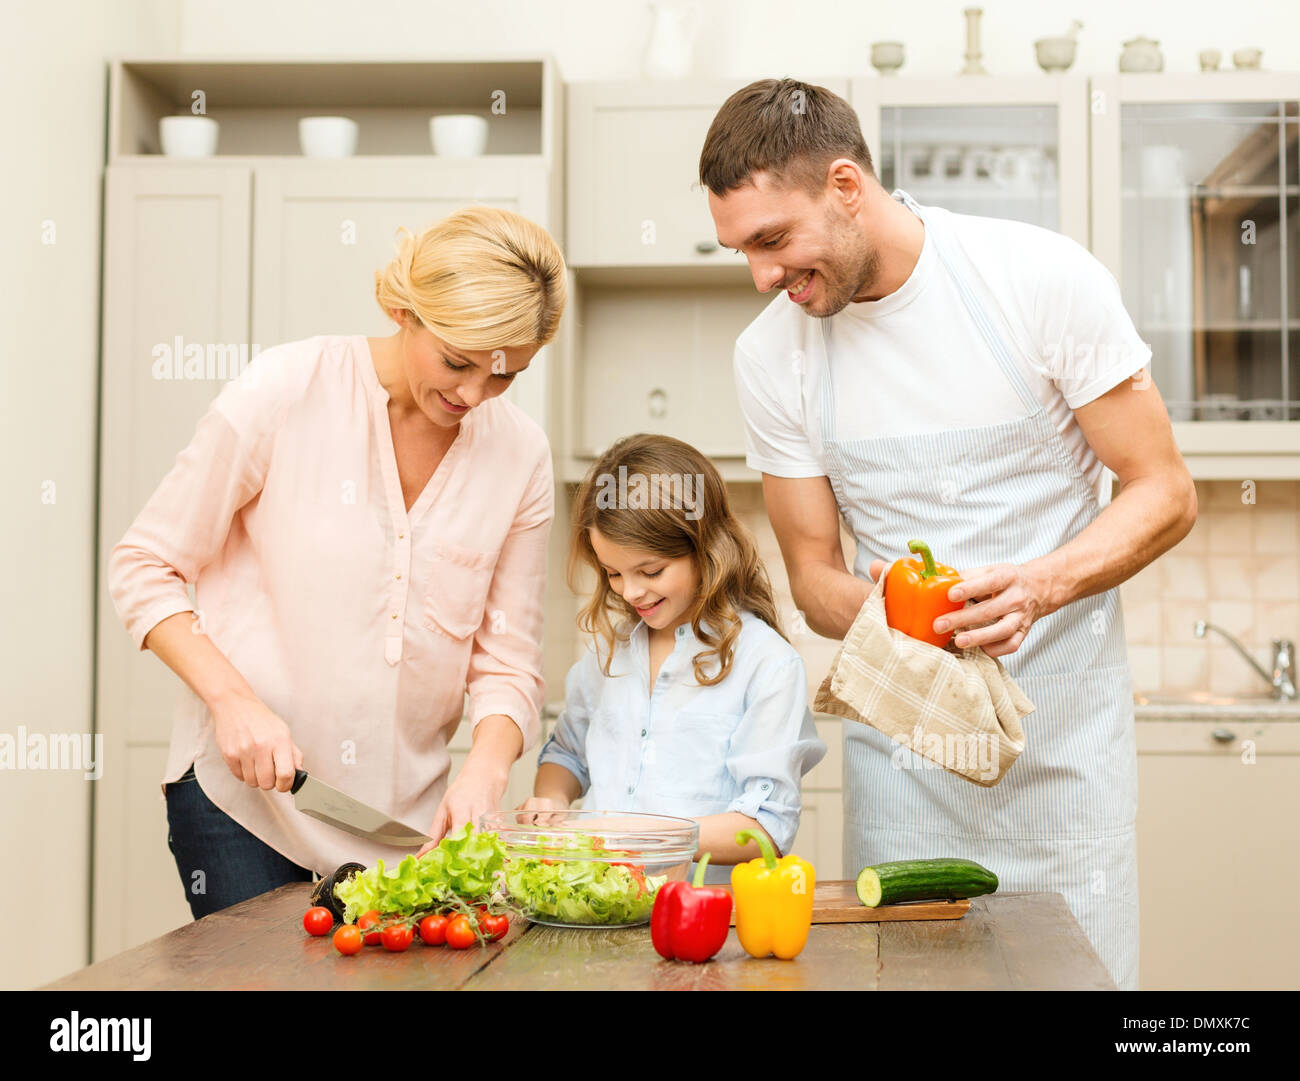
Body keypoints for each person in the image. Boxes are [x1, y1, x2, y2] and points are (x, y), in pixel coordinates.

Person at [699, 79, 1197, 988]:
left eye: (773, 239)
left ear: (846, 186)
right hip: (905, 769)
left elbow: (1164, 490)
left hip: (1064, 759)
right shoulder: (772, 356)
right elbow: (813, 578)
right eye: (742, 249)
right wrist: (915, 611)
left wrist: (1039, 585)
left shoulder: (1039, 279)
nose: (763, 276)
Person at [108, 206, 568, 917]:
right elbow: (143, 564)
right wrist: (232, 700)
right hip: (247, 804)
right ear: (401, 308)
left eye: (505, 375)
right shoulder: (283, 389)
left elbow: (507, 661)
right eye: (457, 361)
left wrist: (484, 769)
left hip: (402, 829)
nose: (473, 396)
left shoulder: (520, 455)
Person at [519, 433, 827, 881]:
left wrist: (634, 835)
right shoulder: (607, 653)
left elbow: (765, 828)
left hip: (704, 921)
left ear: (706, 549)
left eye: (650, 571)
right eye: (613, 574)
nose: (631, 591)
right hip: (598, 907)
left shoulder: (766, 664)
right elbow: (567, 754)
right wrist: (552, 799)